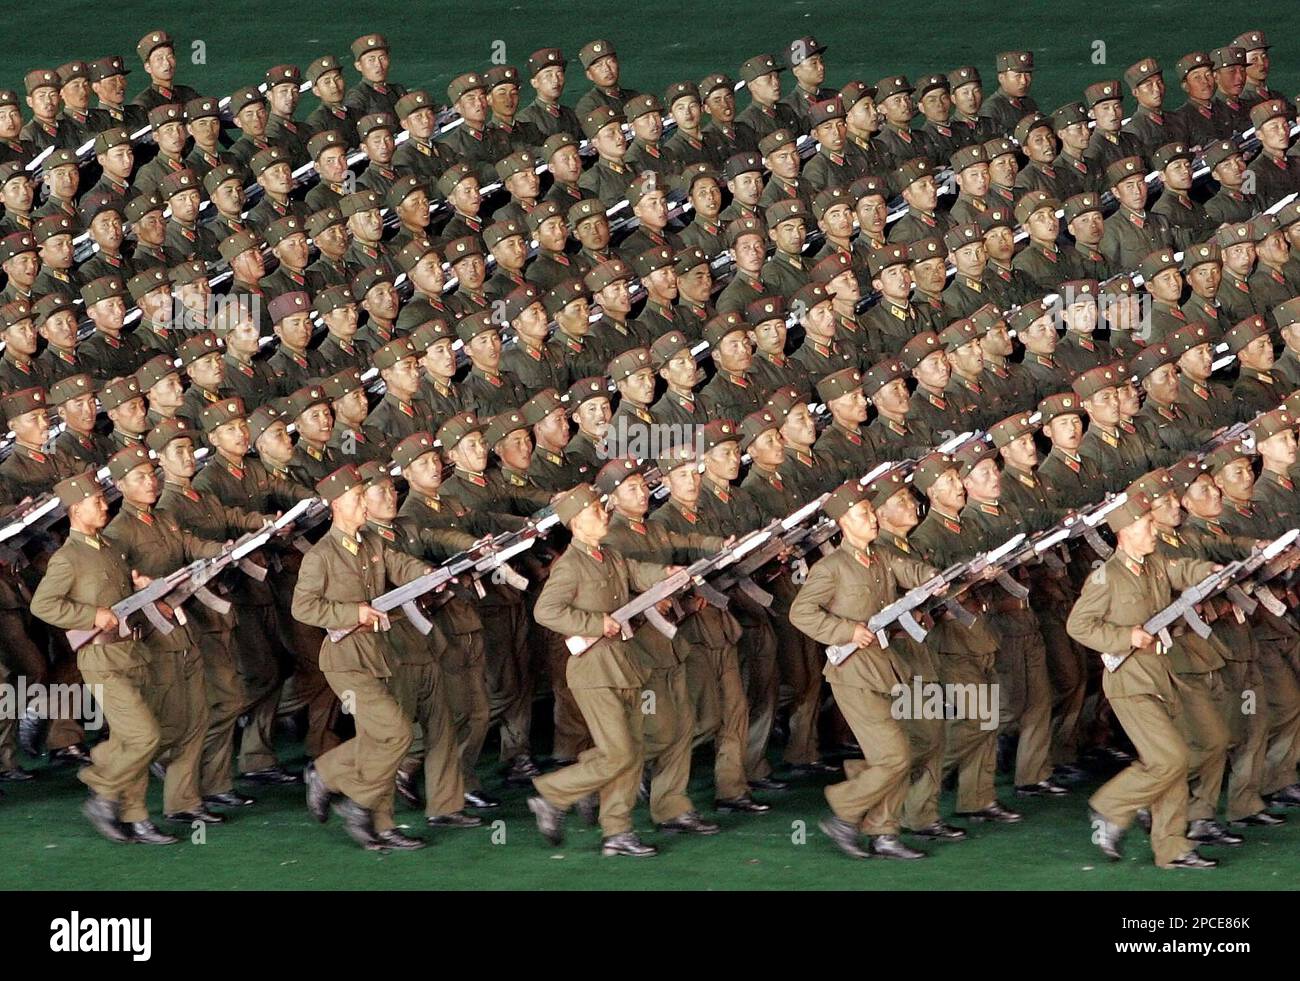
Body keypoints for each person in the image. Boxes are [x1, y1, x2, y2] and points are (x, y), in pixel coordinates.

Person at [1067, 491, 1220, 869]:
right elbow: (1078, 625)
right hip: (1130, 684)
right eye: (1146, 524)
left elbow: (1181, 570)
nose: (1154, 529)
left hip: (1160, 677)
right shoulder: (1106, 577)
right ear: (1124, 533)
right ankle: (1109, 806)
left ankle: (1172, 848)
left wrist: (1209, 571)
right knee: (1172, 758)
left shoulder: (1153, 564)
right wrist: (1125, 637)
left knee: (1170, 762)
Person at [527, 483, 676, 857]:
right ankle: (551, 794)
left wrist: (670, 574)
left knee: (631, 749)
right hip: (593, 671)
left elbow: (639, 573)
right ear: (576, 522)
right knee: (619, 752)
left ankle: (617, 831)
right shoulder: (571, 565)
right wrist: (596, 624)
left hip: (623, 666)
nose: (604, 514)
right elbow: (545, 611)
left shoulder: (609, 555)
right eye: (596, 511)